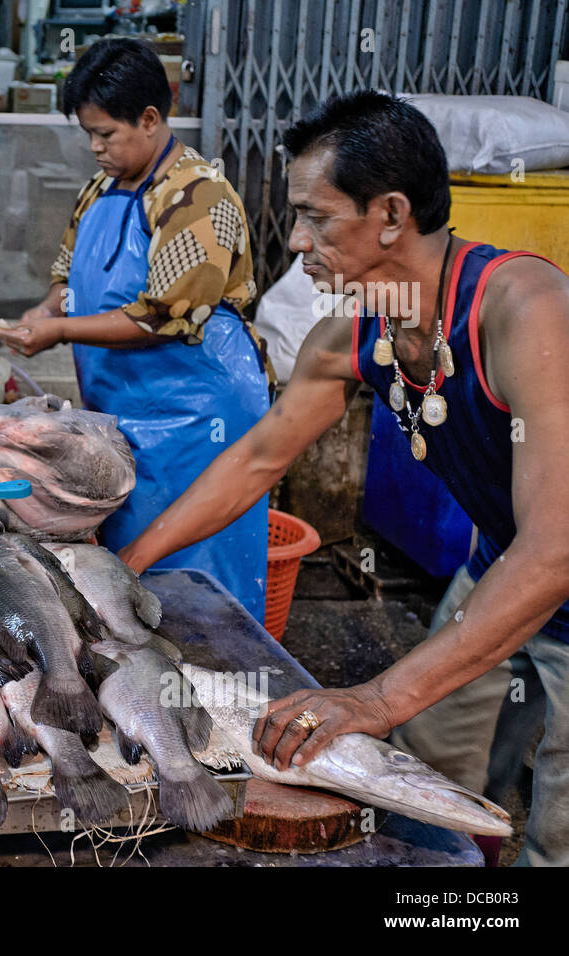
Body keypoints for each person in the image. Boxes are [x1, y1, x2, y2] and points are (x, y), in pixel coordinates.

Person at [120, 90, 569, 866]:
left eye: (317, 218)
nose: (296, 241)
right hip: (502, 563)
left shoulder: (525, 309)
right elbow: (258, 458)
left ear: (391, 215)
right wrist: (126, 568)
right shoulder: (357, 327)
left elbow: (556, 548)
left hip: (544, 563)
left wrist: (377, 695)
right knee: (430, 778)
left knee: (557, 822)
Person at [0, 37, 274, 624]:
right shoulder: (102, 188)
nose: (95, 148)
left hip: (198, 415)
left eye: (106, 134)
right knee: (125, 571)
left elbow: (163, 316)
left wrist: (61, 332)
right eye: (88, 134)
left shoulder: (198, 194)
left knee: (194, 575)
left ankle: (214, 694)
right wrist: (44, 315)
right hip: (122, 410)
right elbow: (66, 276)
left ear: (150, 118)